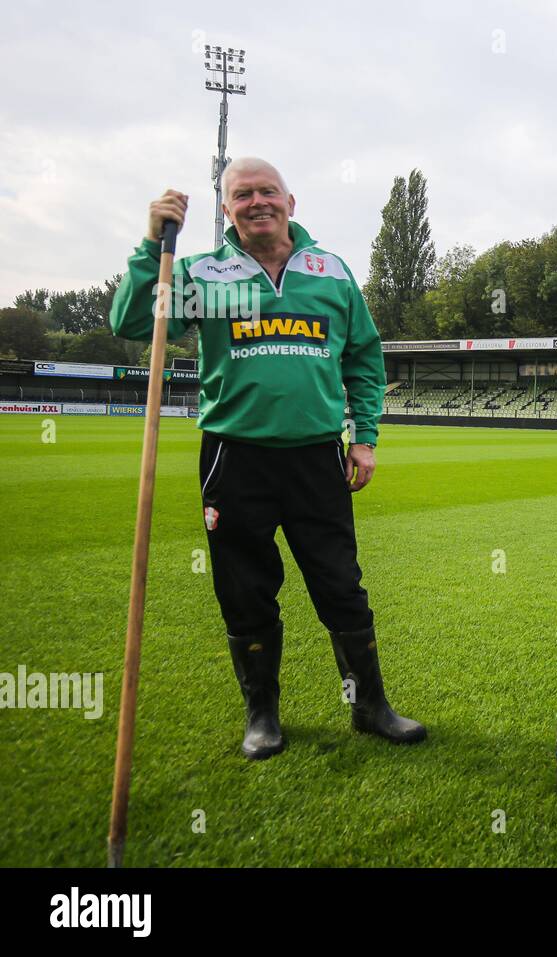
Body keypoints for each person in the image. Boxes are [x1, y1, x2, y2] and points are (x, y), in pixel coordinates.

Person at [109, 157, 426, 759]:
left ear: (290, 201)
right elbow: (131, 321)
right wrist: (152, 245)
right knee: (246, 590)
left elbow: (363, 356)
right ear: (225, 209)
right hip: (235, 458)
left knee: (341, 587)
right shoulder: (203, 273)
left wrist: (364, 437)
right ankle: (262, 716)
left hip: (315, 458)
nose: (257, 202)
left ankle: (369, 705)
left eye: (268, 192)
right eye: (242, 195)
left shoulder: (329, 272)